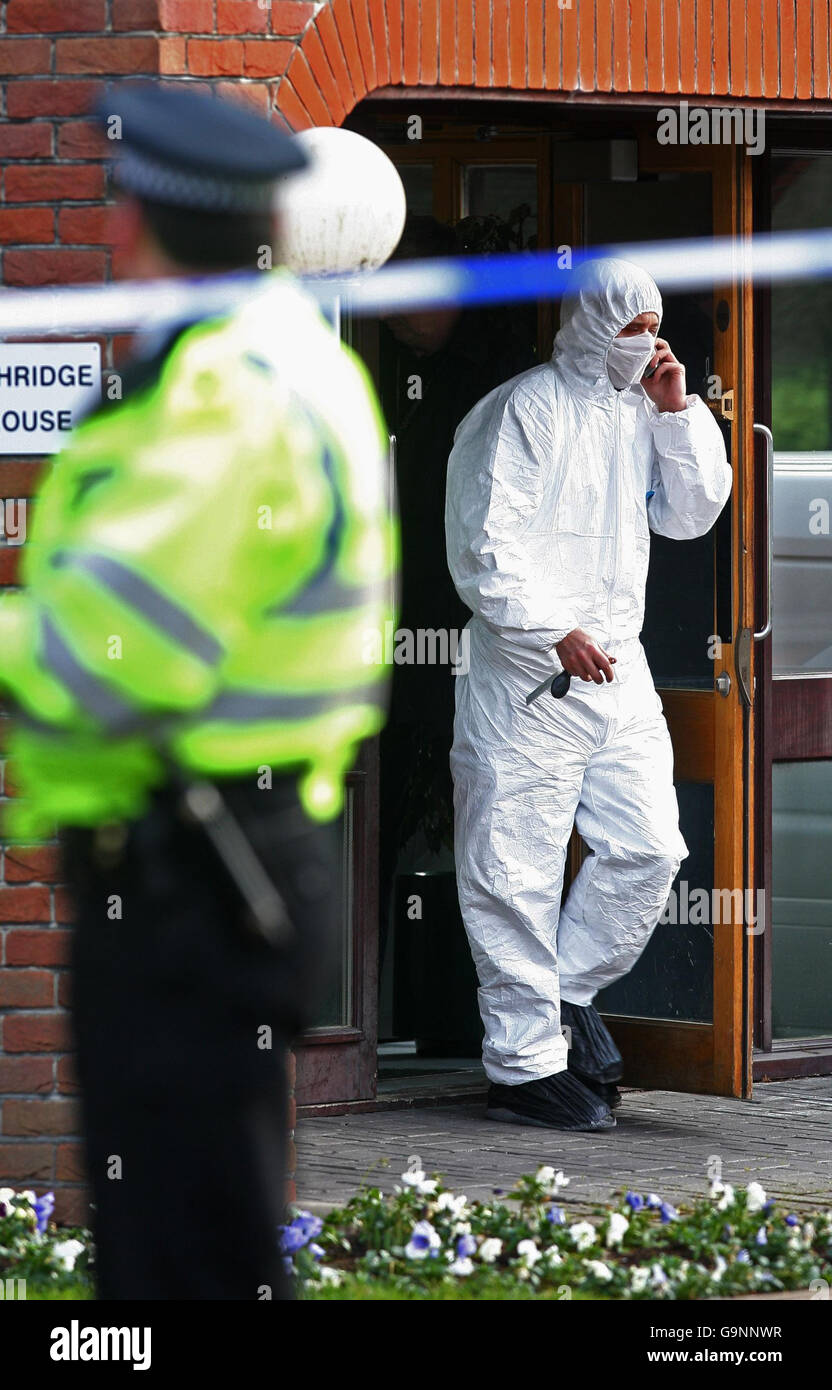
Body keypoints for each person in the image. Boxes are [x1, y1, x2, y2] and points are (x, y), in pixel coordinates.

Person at [0, 83, 395, 1297]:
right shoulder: (276, 359)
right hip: (235, 852)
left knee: (178, 1254)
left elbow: (112, 654)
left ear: (134, 223)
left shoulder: (226, 392)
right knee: (199, 1225)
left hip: (191, 865)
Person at [445, 257, 732, 1131]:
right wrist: (548, 629)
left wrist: (678, 411)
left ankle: (563, 1000)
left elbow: (692, 512)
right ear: (589, 324)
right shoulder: (521, 409)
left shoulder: (642, 409)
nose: (644, 342)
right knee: (514, 864)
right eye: (628, 326)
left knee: (650, 849)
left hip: (617, 665)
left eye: (653, 325)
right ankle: (523, 1067)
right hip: (529, 675)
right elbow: (484, 547)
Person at [377, 215, 535, 982]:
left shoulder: (489, 387)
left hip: (458, 623)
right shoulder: (361, 362)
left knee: (468, 809)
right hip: (380, 615)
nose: (407, 311)